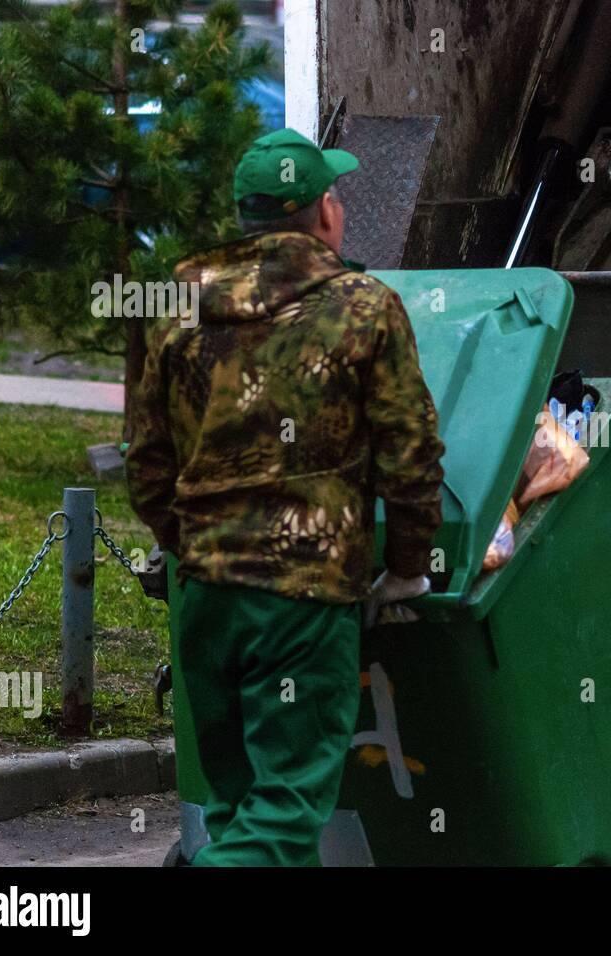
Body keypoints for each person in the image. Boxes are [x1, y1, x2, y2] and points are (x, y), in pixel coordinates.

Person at [126, 128, 446, 866]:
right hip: (301, 600)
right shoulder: (364, 307)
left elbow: (146, 461)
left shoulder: (178, 302)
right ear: (323, 211)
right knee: (283, 818)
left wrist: (192, 544)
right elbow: (411, 452)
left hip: (205, 597)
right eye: (333, 193)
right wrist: (405, 565)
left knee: (242, 808)